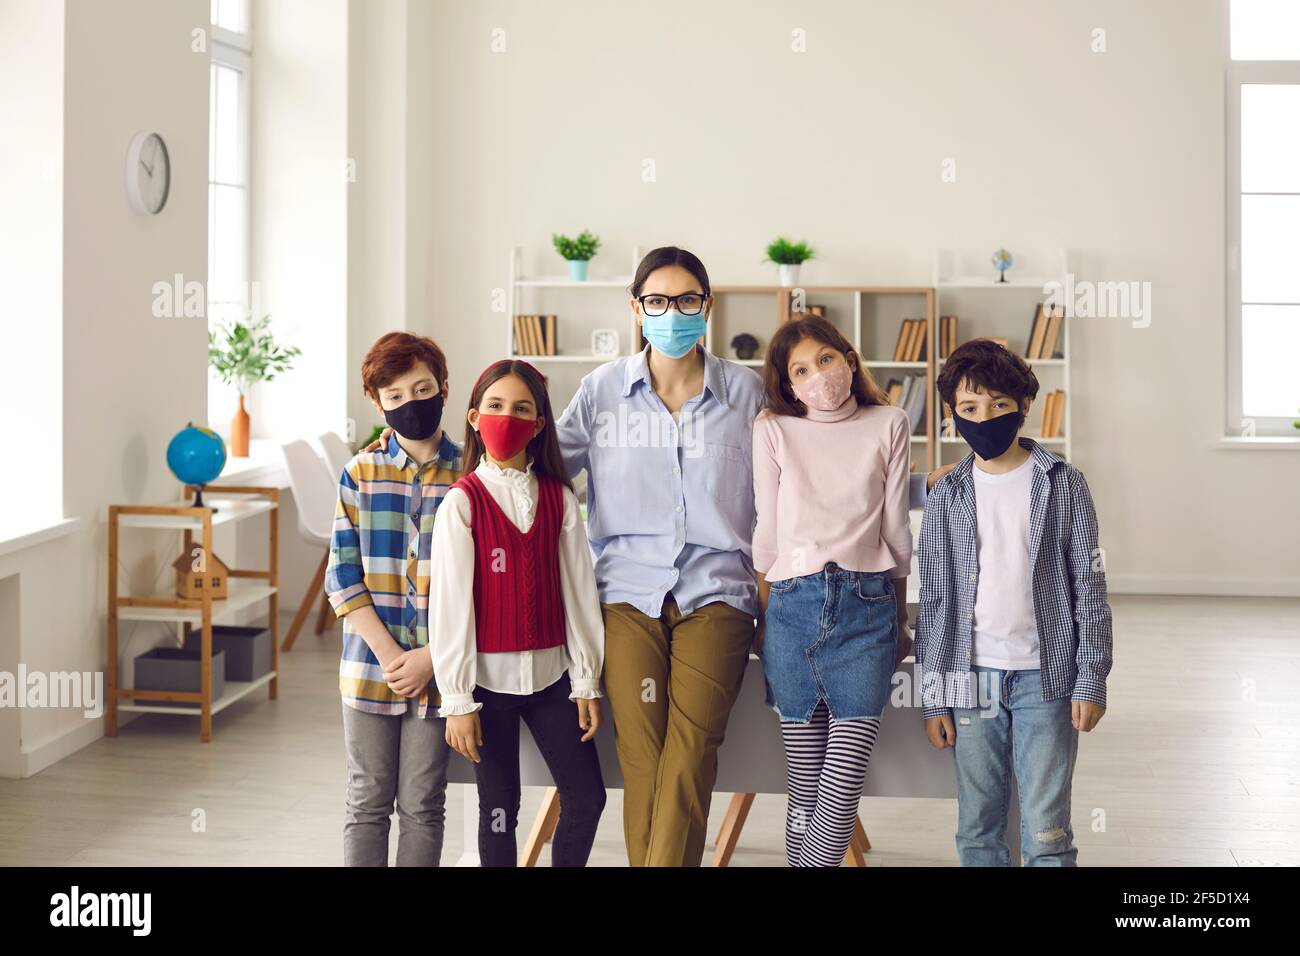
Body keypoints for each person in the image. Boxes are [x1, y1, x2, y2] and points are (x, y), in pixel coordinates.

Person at [553, 246, 764, 866]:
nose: (672, 313)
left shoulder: (745, 394)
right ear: (637, 309)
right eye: (657, 301)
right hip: (625, 598)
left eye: (686, 300)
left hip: (717, 594)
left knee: (691, 749)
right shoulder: (601, 392)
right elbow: (543, 469)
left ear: (707, 306)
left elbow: (798, 475)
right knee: (642, 756)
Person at [916, 338, 1112, 866]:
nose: (986, 418)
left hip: (1045, 679)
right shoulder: (947, 493)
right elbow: (934, 600)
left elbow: (1089, 590)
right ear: (953, 414)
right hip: (972, 676)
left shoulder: (1064, 484)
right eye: (970, 408)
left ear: (1024, 406)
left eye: (999, 405)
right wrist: (934, 695)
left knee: (1047, 829)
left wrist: (1091, 679)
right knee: (978, 825)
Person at [752, 315, 913, 866]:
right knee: (803, 787)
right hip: (790, 608)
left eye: (825, 359)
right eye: (800, 369)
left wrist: (900, 617)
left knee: (841, 788)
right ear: (788, 384)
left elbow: (895, 530)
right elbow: (767, 536)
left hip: (868, 609)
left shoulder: (889, 422)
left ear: (847, 356)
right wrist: (764, 619)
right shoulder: (772, 427)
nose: (817, 375)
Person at [431, 359, 606, 866]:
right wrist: (458, 699)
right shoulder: (461, 505)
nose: (508, 417)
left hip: (554, 681)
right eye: (496, 406)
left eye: (522, 409)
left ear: (539, 424)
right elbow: (451, 608)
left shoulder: (560, 498)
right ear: (473, 417)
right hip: (486, 687)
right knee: (498, 807)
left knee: (588, 798)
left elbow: (578, 595)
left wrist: (587, 682)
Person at [325, 331, 460, 866]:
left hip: (441, 671)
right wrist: (390, 657)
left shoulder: (471, 472)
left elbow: (481, 587)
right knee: (366, 802)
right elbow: (342, 575)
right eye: (396, 396)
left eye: (422, 388)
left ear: (444, 387)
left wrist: (431, 658)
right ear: (377, 403)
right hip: (368, 668)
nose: (411, 403)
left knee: (424, 805)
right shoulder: (359, 474)